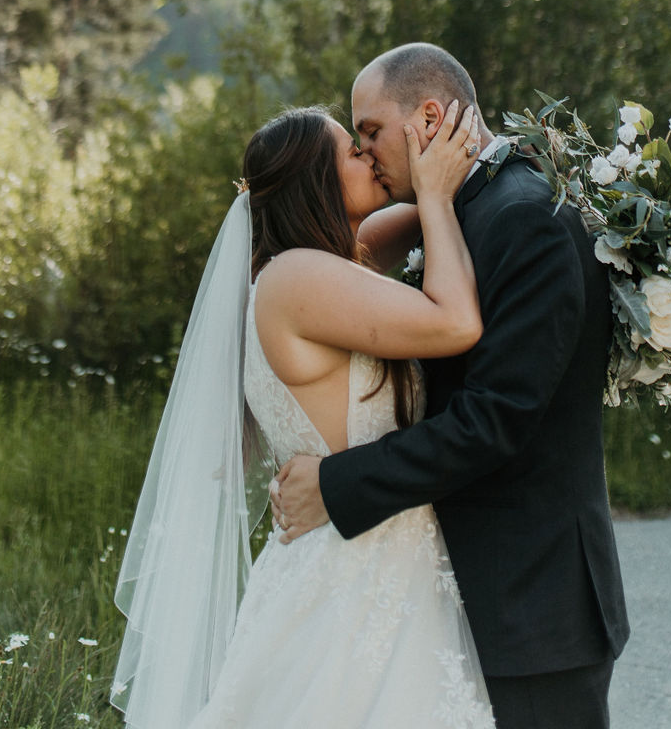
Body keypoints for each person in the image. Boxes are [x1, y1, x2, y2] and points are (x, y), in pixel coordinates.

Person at [272, 43, 630, 729]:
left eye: (370, 131)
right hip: (475, 601)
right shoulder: (468, 207)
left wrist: (335, 484)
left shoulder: (521, 218)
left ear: (429, 117)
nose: (365, 150)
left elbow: (492, 421)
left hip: (531, 611)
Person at [111, 97, 497, 729]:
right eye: (353, 148)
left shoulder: (315, 264)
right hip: (354, 581)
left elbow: (408, 216)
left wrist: (442, 172)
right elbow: (455, 322)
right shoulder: (298, 279)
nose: (369, 154)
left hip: (368, 560)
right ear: (316, 180)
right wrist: (432, 196)